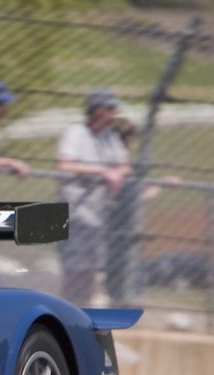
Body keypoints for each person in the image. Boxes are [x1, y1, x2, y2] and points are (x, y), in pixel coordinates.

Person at [55, 88, 131, 305]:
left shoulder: (109, 137)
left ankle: (83, 310)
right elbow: (64, 164)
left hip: (98, 212)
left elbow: (125, 165)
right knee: (75, 267)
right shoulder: (76, 133)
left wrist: (117, 173)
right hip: (75, 211)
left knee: (92, 267)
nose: (112, 114)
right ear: (96, 111)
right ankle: (68, 308)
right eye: (108, 109)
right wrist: (101, 172)